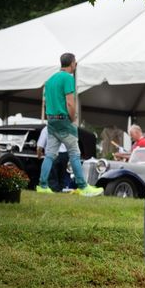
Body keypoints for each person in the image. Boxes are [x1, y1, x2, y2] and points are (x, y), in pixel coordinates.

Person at [37, 53, 102, 196]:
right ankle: (83, 186)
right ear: (72, 63)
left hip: (51, 121)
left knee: (49, 154)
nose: (76, 65)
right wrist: (72, 118)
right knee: (74, 153)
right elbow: (70, 102)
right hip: (63, 120)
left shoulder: (49, 81)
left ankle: (42, 185)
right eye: (75, 63)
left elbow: (47, 103)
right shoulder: (68, 78)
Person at [37, 126, 73, 191]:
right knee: (61, 176)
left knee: (52, 176)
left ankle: (53, 189)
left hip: (52, 154)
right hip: (64, 155)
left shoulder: (46, 129)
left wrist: (39, 155)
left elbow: (40, 145)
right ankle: (60, 189)